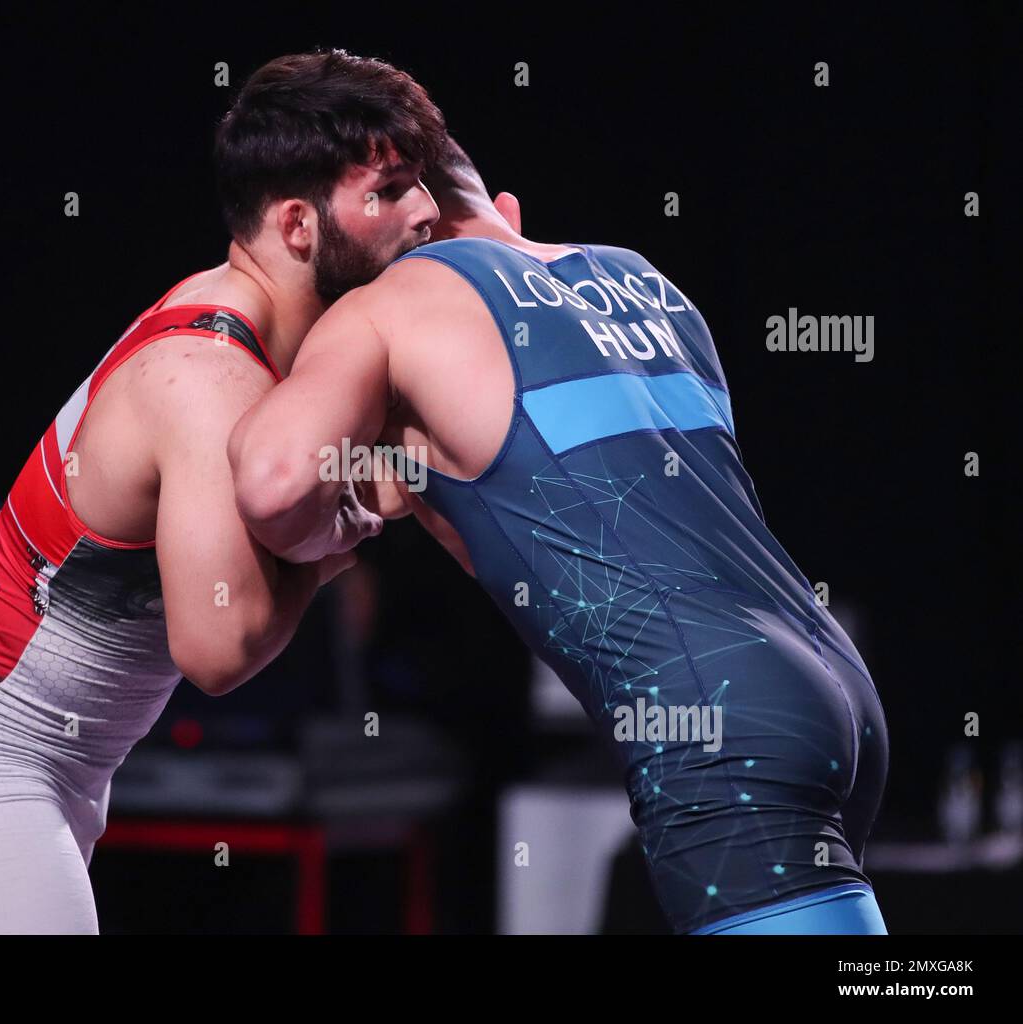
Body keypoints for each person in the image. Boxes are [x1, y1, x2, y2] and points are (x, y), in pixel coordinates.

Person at [228, 137, 890, 935]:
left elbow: (273, 483)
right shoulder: (645, 279)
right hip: (836, 689)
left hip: (717, 719)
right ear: (504, 212)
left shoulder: (400, 299)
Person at [0, 49, 440, 934]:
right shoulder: (208, 375)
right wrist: (340, 539)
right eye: (388, 191)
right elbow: (218, 646)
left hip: (41, 758)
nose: (425, 211)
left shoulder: (265, 336)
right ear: (298, 225)